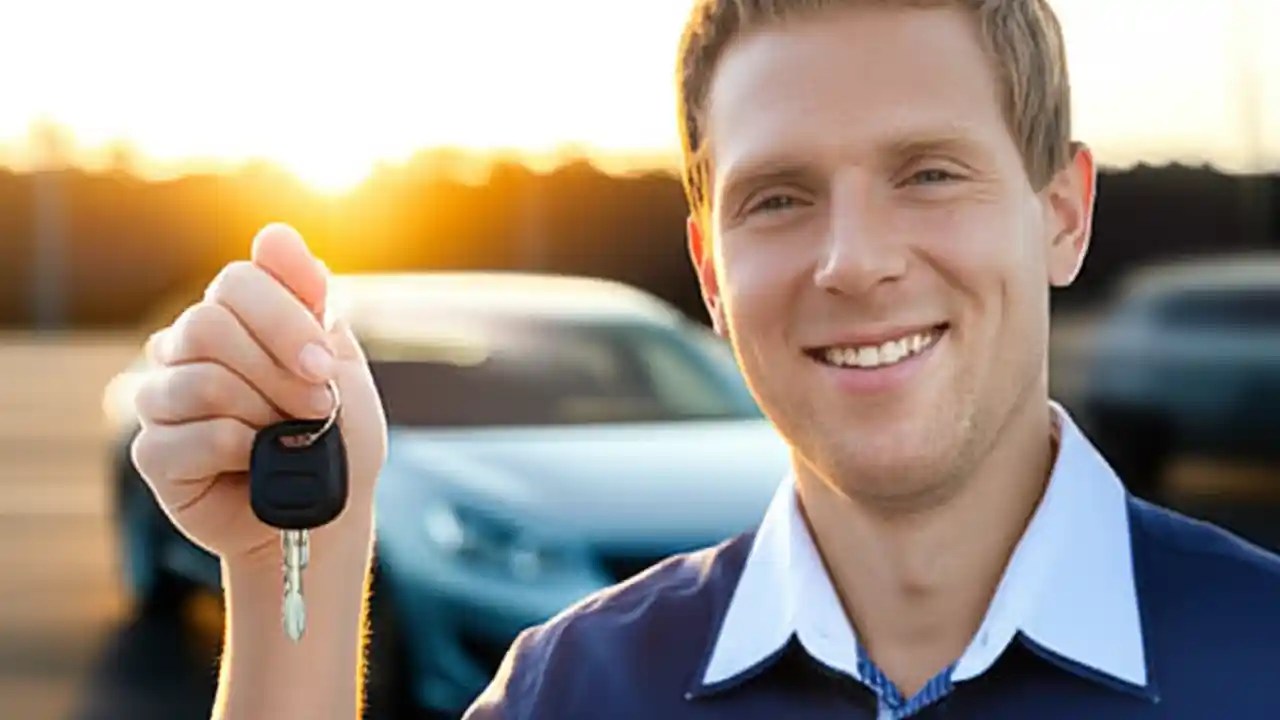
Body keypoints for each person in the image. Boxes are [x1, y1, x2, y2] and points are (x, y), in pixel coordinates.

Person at [129, 1, 1280, 718]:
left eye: (927, 172)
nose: (851, 260)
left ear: (1062, 215)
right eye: (777, 198)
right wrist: (303, 565)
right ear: (711, 274)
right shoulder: (568, 692)